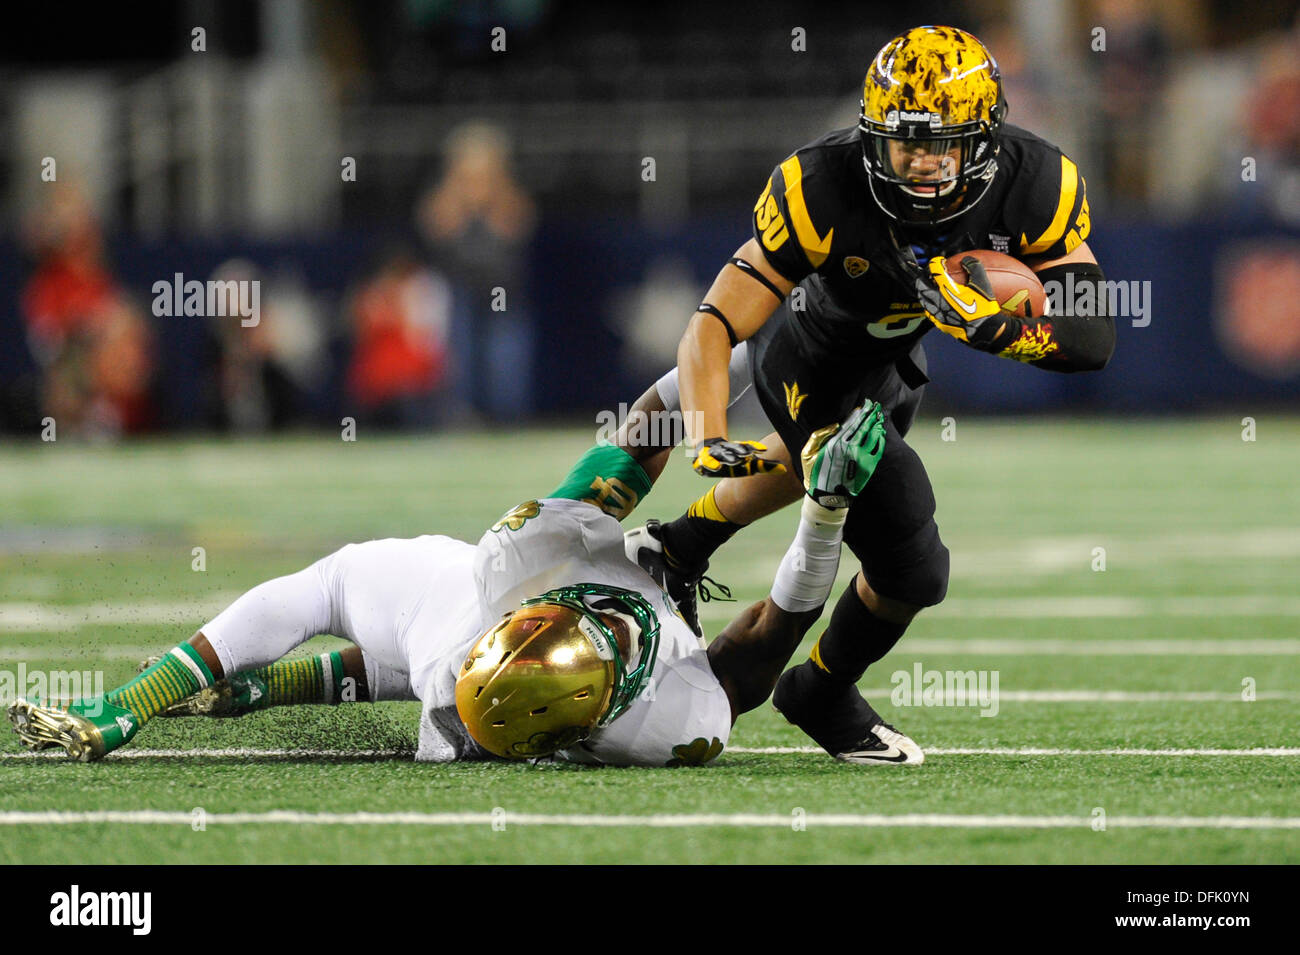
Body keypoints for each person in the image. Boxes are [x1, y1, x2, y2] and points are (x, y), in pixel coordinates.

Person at [614, 26, 1115, 762]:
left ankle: (679, 545)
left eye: (940, 142)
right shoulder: (821, 184)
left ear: (984, 138)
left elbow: (1094, 335)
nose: (919, 161)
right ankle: (819, 689)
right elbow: (714, 322)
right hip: (811, 365)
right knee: (915, 564)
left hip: (893, 364)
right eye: (903, 142)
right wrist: (705, 427)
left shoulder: (1035, 182)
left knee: (800, 470)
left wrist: (1002, 331)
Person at [8, 400, 918, 767]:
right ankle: (821, 473)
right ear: (597, 712)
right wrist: (825, 510)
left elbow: (646, 426)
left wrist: (724, 375)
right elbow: (774, 622)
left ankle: (177, 699)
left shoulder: (512, 568)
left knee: (342, 600)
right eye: (611, 647)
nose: (623, 629)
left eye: (596, 626)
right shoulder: (665, 723)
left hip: (537, 584)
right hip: (466, 657)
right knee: (756, 649)